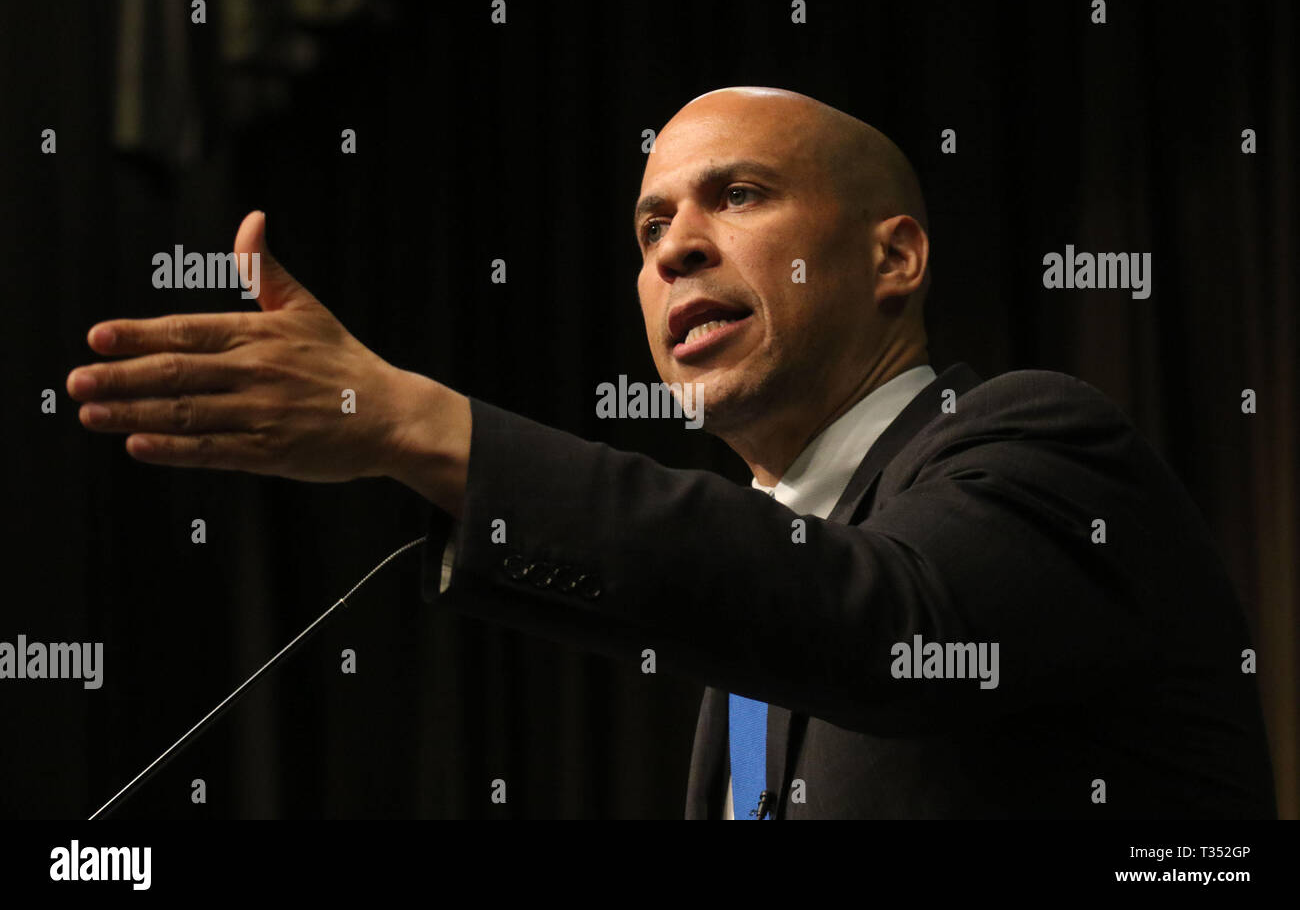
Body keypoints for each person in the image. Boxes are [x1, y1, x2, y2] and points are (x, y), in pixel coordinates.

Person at [66, 86, 1277, 819]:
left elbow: (892, 628)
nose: (674, 251)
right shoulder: (752, 601)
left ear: (892, 258)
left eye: (736, 196)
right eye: (650, 229)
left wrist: (418, 426)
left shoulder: (1043, 446)